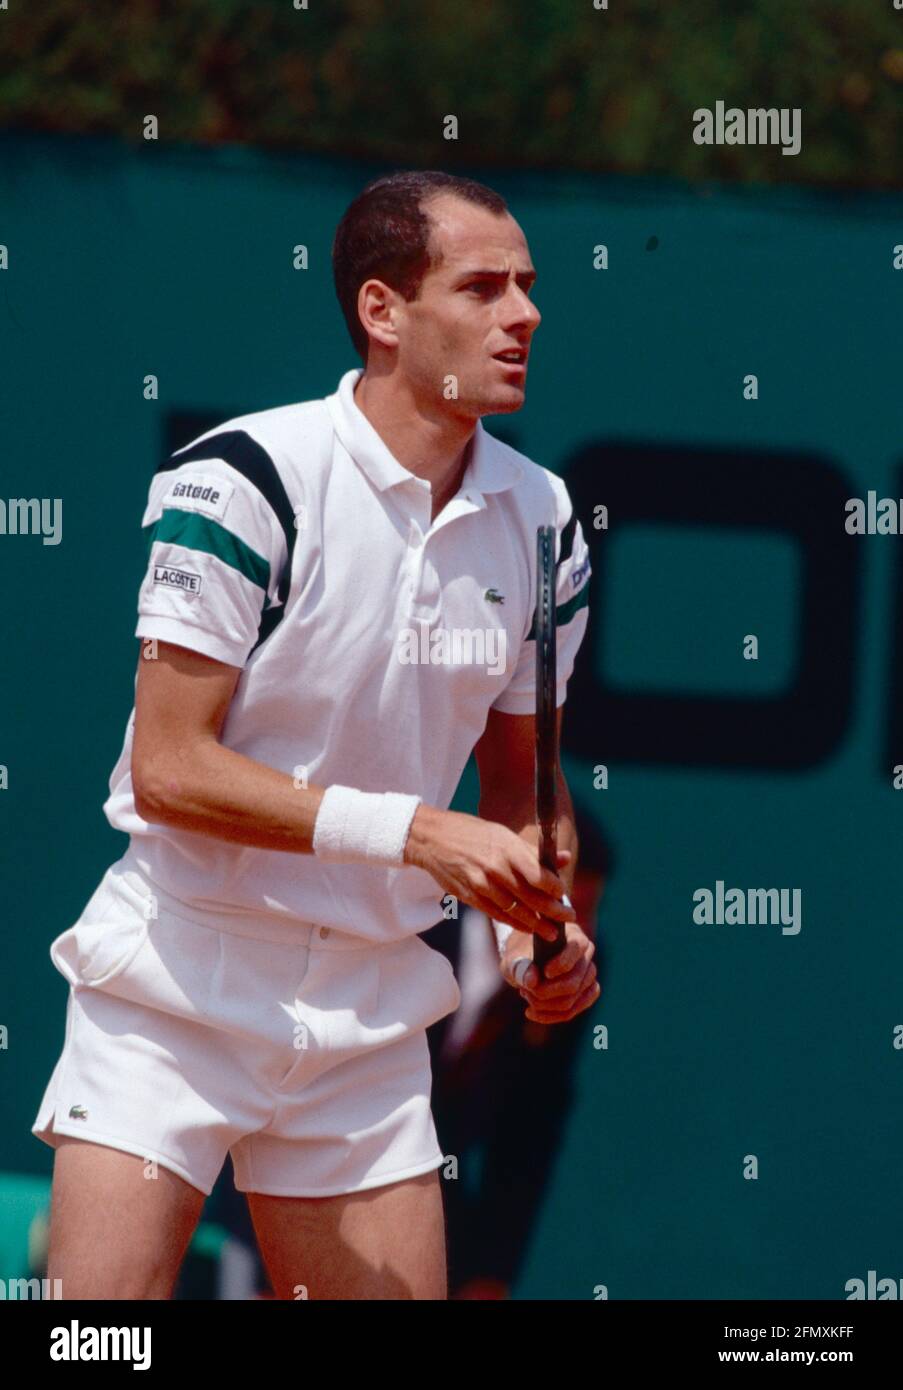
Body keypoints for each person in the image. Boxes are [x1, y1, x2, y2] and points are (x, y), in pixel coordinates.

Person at [31, 169, 597, 1300]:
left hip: (372, 1010)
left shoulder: (546, 525)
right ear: (383, 312)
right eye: (483, 287)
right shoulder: (247, 480)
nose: (525, 313)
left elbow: (526, 788)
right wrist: (415, 836)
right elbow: (171, 766)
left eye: (527, 286)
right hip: (176, 980)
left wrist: (539, 926)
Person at [425, 805, 612, 1298]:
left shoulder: (579, 965)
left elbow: (530, 1128)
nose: (580, 933)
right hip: (319, 1167)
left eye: (589, 913)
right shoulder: (421, 922)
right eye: (566, 910)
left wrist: (490, 1275)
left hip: (446, 1198)